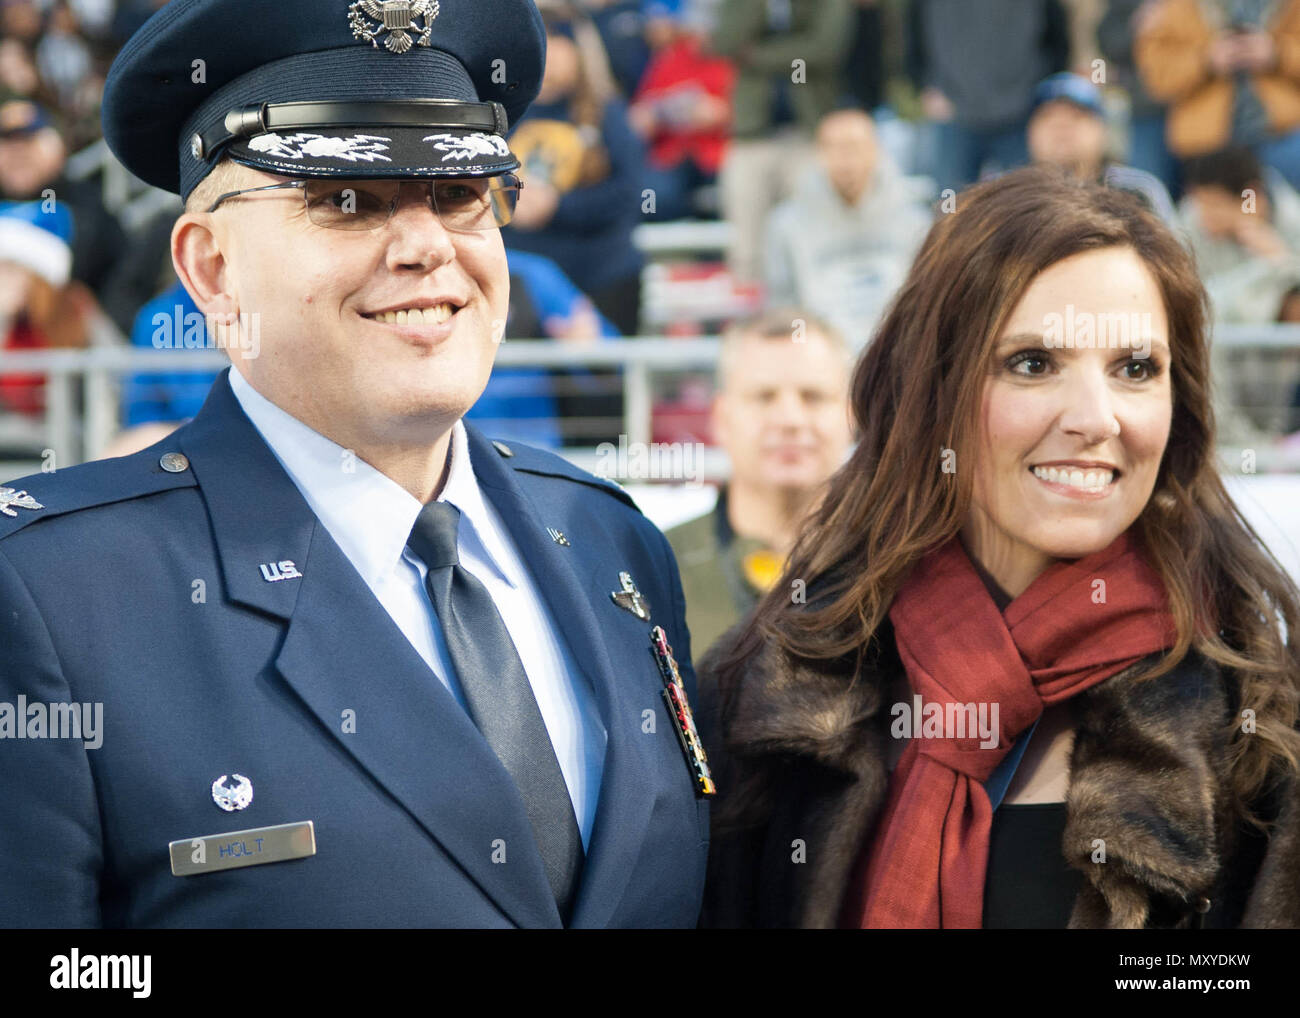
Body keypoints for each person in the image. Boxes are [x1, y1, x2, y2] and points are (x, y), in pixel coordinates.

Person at [0, 0, 708, 930]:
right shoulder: (53, 597)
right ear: (212, 270)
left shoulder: (613, 543)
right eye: (347, 200)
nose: (426, 246)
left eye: (460, 195)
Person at [698, 167, 1300, 929]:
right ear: (933, 390)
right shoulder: (771, 687)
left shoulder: (1265, 719)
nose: (1096, 417)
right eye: (1033, 363)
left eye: (1135, 369)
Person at [667, 310, 852, 659]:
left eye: (813, 397)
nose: (790, 420)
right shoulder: (660, 566)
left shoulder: (893, 563)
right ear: (721, 418)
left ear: (851, 415)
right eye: (764, 397)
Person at [763, 107, 931, 350]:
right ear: (818, 154)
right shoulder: (786, 224)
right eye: (834, 147)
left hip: (897, 352)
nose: (845, 159)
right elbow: (782, 305)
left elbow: (924, 302)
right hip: (822, 356)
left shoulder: (915, 220)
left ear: (875, 151)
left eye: (854, 147)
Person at [1026, 72, 1178, 223]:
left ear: (1103, 130)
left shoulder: (1139, 190)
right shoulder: (1017, 196)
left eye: (1076, 116)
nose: (1061, 127)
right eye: (1047, 117)